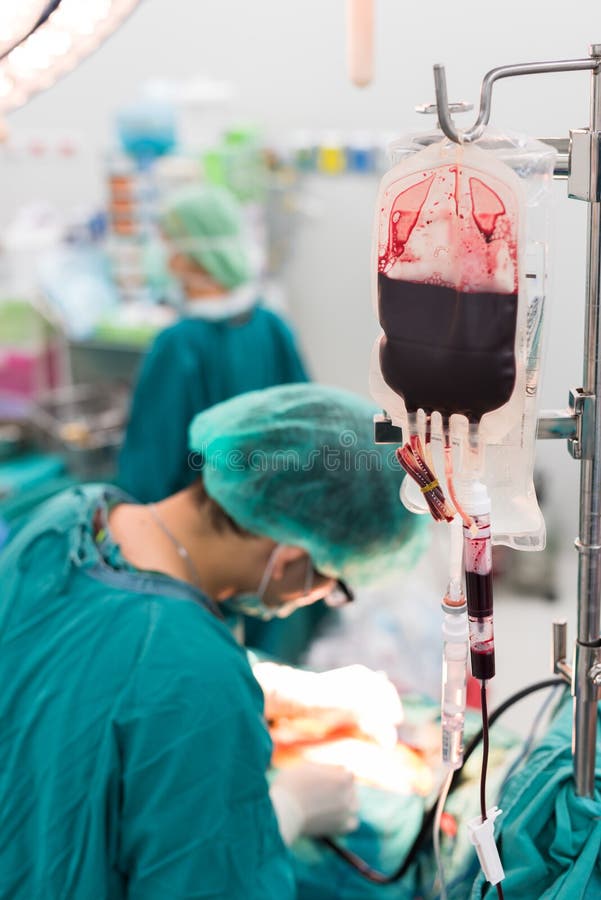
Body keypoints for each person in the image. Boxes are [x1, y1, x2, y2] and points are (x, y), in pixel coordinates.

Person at [0, 384, 424, 899]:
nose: (323, 598)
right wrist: (287, 811)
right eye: (334, 585)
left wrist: (273, 685)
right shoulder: (198, 677)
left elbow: (77, 665)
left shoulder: (66, 517)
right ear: (290, 560)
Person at [118, 182, 319, 662]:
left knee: (204, 656)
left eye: (167, 243)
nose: (163, 256)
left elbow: (148, 472)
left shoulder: (179, 346)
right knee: (266, 664)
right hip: (271, 545)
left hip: (199, 556)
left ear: (189, 256)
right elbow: (310, 434)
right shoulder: (270, 326)